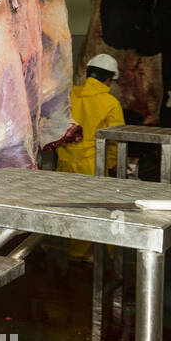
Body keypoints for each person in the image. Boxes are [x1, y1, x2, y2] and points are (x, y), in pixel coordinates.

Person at [56, 53, 126, 260]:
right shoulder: (110, 102)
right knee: (91, 210)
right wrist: (113, 163)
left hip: (64, 163)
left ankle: (71, 253)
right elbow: (115, 138)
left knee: (69, 209)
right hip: (92, 164)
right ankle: (85, 256)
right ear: (108, 79)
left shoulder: (68, 95)